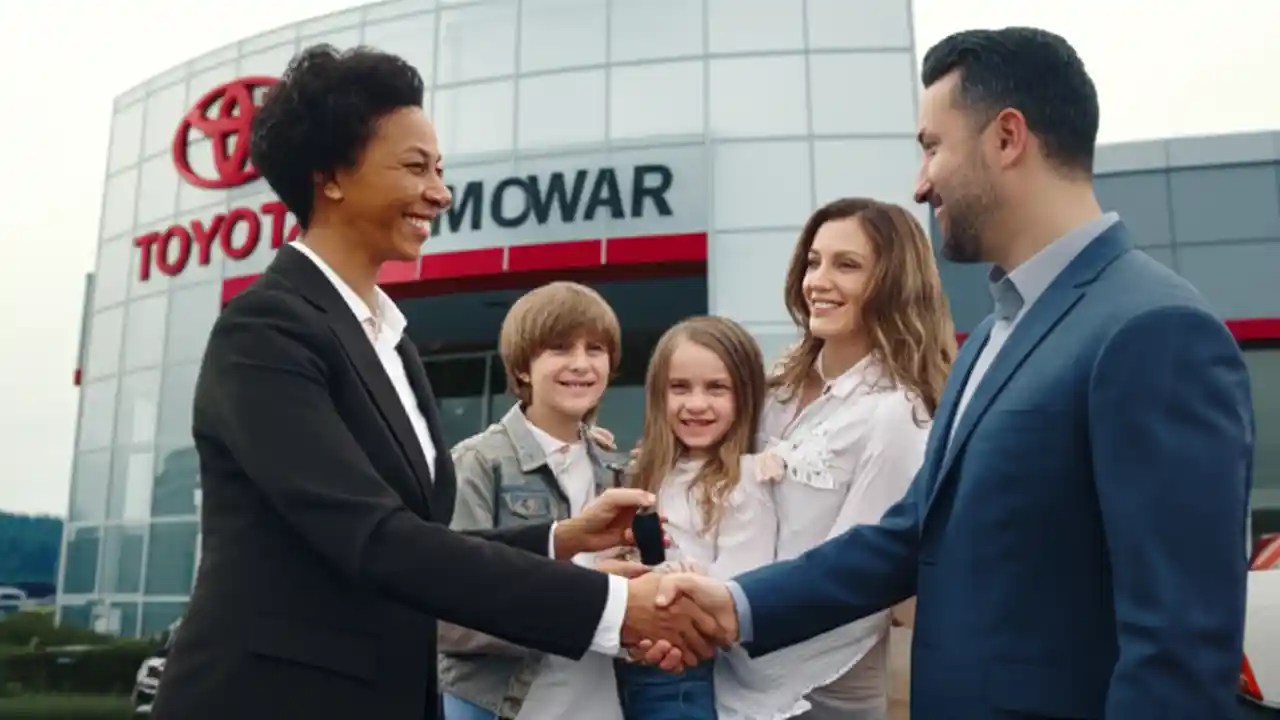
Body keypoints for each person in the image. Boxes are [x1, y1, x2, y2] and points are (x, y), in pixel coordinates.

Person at [650, 27, 1256, 720]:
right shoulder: (989, 340)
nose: (919, 181)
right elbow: (910, 536)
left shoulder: (1155, 330)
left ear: (1006, 138)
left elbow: (1177, 651)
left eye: (932, 147)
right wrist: (737, 605)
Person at [150, 45, 720, 720]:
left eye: (440, 171)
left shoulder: (391, 342)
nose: (441, 193)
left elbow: (419, 535)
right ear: (330, 175)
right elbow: (372, 536)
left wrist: (561, 540)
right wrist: (615, 608)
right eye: (416, 167)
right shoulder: (264, 332)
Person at [755, 198, 955, 720]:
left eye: (847, 265)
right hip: (725, 674)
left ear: (892, 282)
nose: (818, 280)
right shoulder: (769, 395)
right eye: (813, 261)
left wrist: (730, 629)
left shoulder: (899, 415)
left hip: (818, 692)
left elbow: (859, 581)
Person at [437, 281, 639, 720]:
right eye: (560, 349)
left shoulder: (618, 470)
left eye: (596, 349)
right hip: (500, 705)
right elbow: (446, 616)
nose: (581, 364)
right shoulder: (476, 463)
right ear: (523, 368)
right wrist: (580, 596)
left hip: (601, 703)